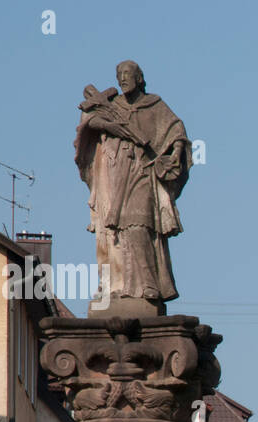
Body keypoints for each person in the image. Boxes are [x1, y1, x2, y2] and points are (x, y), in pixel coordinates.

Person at [75, 60, 191, 311]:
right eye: (119, 74)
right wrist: (112, 127)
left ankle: (149, 284)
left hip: (143, 172)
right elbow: (89, 121)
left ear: (139, 78)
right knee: (115, 231)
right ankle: (121, 287)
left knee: (139, 224)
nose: (122, 78)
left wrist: (175, 151)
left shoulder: (154, 105)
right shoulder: (111, 104)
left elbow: (176, 130)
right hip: (115, 173)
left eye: (127, 74)